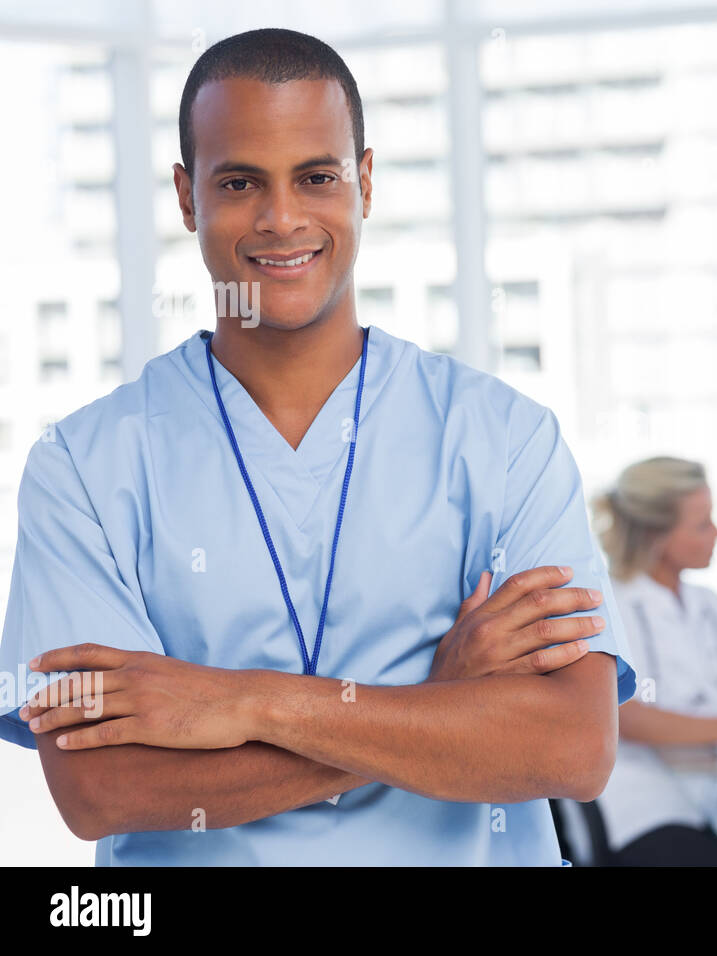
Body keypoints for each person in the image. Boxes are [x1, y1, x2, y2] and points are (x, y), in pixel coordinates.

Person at [0, 28, 636, 866]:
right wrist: (437, 705)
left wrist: (244, 705)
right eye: (240, 182)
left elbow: (571, 750)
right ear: (189, 198)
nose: (282, 218)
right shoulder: (85, 466)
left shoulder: (505, 439)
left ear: (363, 182)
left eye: (317, 176)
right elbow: (100, 791)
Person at [588, 457, 717, 866]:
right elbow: (621, 715)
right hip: (641, 812)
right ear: (656, 536)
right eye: (702, 524)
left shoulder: (708, 606)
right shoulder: (612, 604)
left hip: (700, 809)